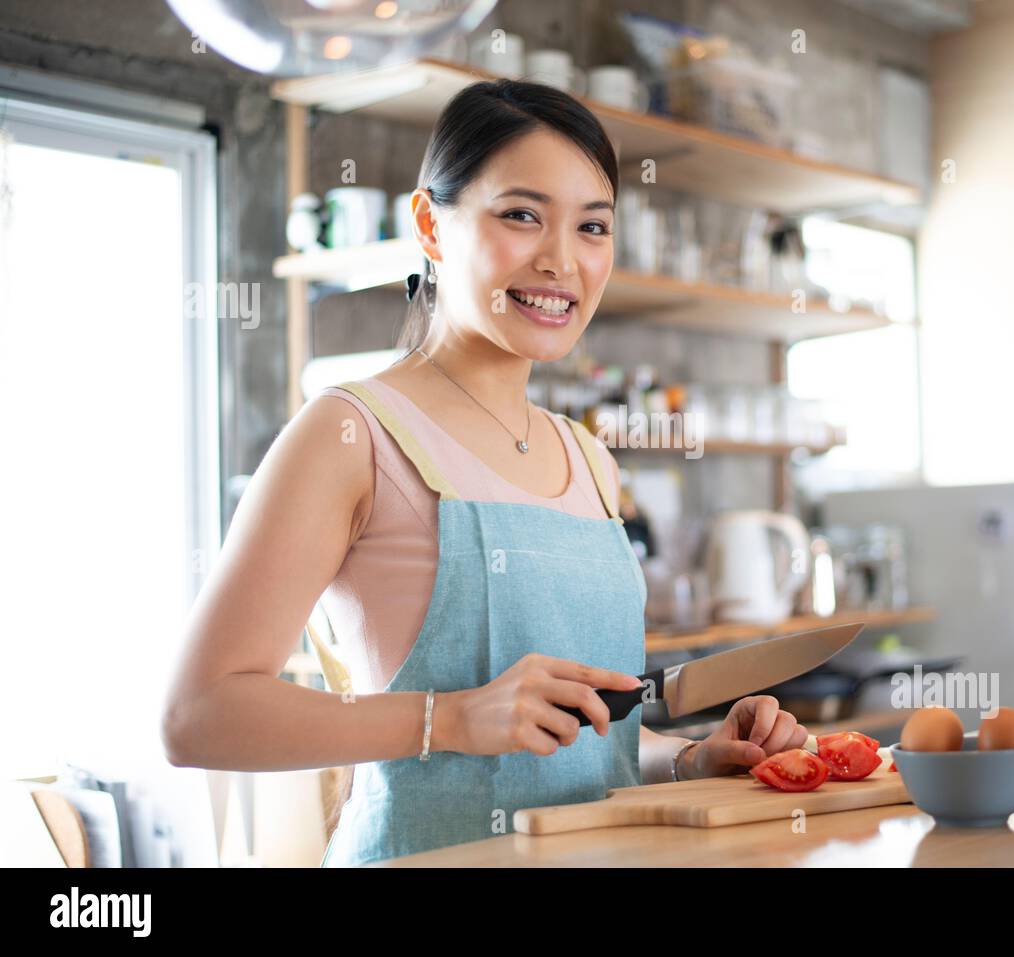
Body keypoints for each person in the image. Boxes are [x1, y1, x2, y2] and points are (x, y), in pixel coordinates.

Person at [161, 78, 810, 866]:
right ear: (431, 224)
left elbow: (575, 748)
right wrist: (450, 717)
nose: (561, 260)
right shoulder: (350, 432)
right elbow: (196, 714)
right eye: (520, 215)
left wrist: (688, 757)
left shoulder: (590, 459)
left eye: (593, 226)